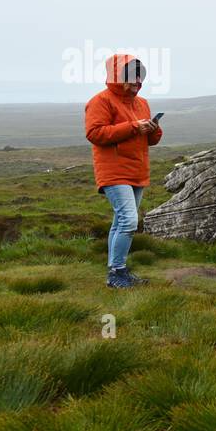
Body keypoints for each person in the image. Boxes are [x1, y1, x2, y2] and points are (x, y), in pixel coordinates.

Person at [84, 53, 162, 288]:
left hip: (137, 169)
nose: (138, 82)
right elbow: (95, 134)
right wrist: (132, 127)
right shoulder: (101, 101)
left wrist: (153, 129)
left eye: (141, 77)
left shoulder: (142, 103)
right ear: (118, 76)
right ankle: (117, 274)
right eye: (133, 77)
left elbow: (151, 141)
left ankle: (117, 271)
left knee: (120, 222)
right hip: (114, 170)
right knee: (129, 221)